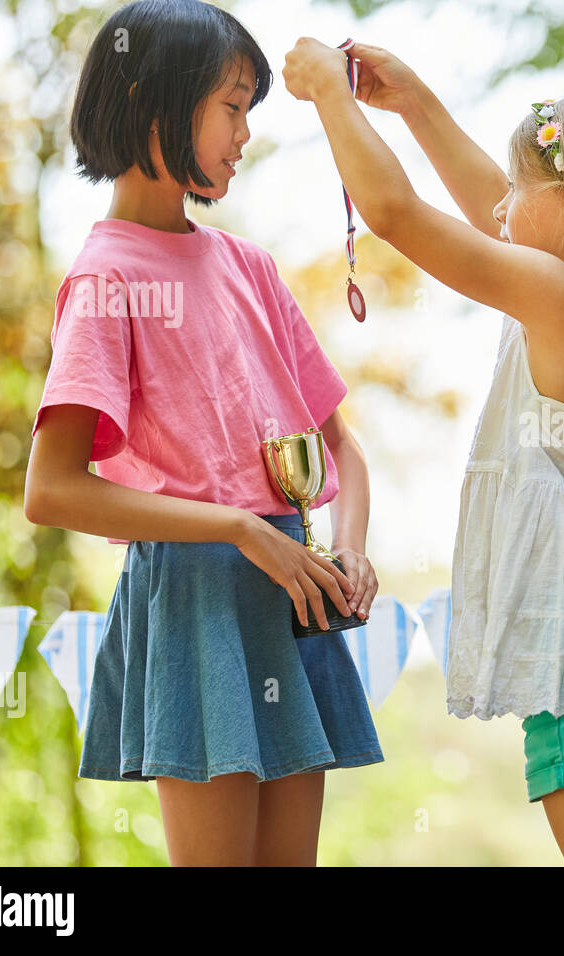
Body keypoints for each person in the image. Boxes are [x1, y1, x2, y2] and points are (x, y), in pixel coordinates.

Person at [282, 40, 564, 865]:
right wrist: (417, 103)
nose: (501, 210)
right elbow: (492, 206)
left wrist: (328, 94)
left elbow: (393, 213)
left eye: (522, 190)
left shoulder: (559, 298)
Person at [23, 0, 382, 867]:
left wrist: (352, 546)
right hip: (197, 604)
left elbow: (343, 448)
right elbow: (52, 489)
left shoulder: (251, 268)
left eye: (251, 107)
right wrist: (236, 527)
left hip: (293, 592)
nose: (246, 131)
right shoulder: (105, 278)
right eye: (232, 104)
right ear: (154, 103)